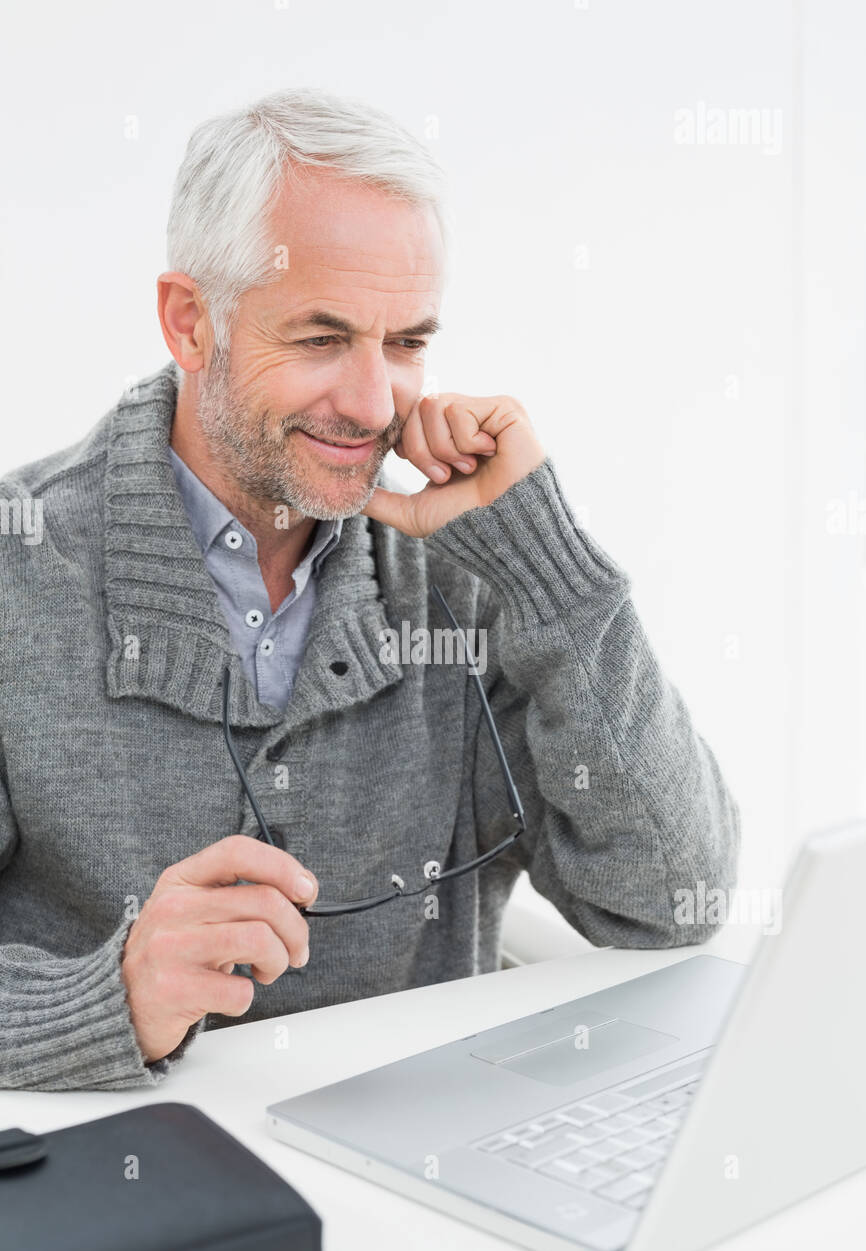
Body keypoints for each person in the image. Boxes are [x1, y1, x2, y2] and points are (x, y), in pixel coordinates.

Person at [0, 88, 740, 1091]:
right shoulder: (20, 566)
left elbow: (672, 902)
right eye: (319, 338)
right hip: (131, 1191)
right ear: (188, 321)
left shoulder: (470, 575)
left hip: (424, 1187)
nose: (371, 403)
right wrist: (112, 995)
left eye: (405, 343)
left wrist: (549, 571)